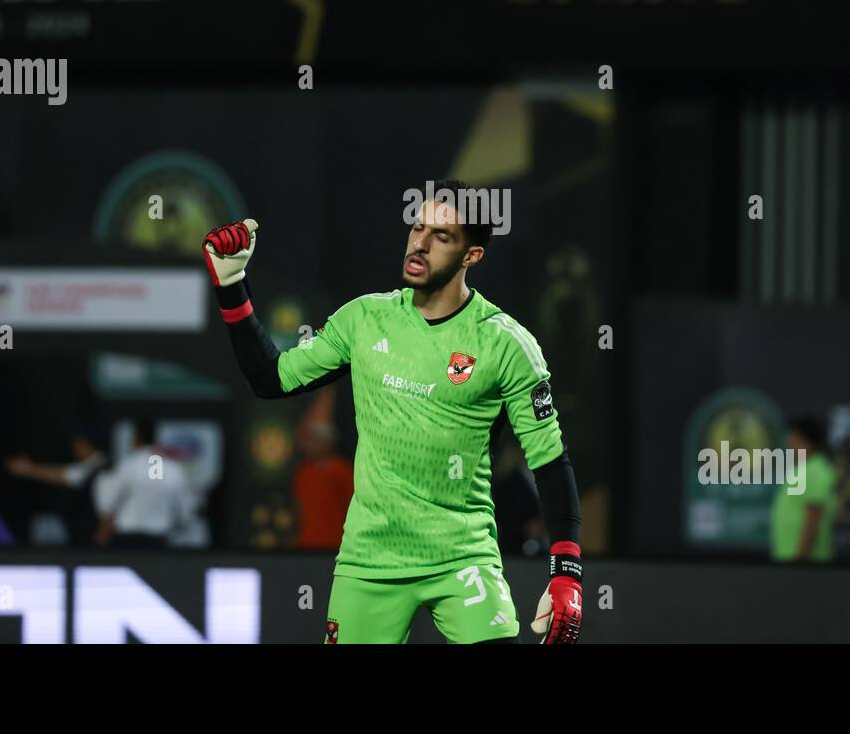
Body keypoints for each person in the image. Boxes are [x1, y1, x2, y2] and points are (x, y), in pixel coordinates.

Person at [201, 179, 583, 644]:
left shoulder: (505, 344)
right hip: (370, 562)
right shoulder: (364, 319)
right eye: (418, 226)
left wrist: (566, 574)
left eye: (442, 236)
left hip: (463, 559)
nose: (420, 243)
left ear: (472, 256)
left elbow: (549, 461)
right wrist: (231, 285)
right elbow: (271, 379)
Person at [94, 417, 197, 549]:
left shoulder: (128, 466)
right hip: (159, 540)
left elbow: (108, 505)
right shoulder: (174, 469)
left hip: (127, 540)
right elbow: (186, 512)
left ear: (136, 438)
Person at [290, 388, 354, 549]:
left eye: (314, 438)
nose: (308, 444)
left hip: (336, 549)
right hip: (306, 551)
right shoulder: (303, 473)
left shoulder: (342, 471)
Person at [769, 415, 837, 563]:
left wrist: (800, 559)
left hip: (804, 564)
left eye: (793, 437)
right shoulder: (802, 468)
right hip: (789, 558)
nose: (789, 442)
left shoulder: (816, 470)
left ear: (805, 441)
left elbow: (813, 517)